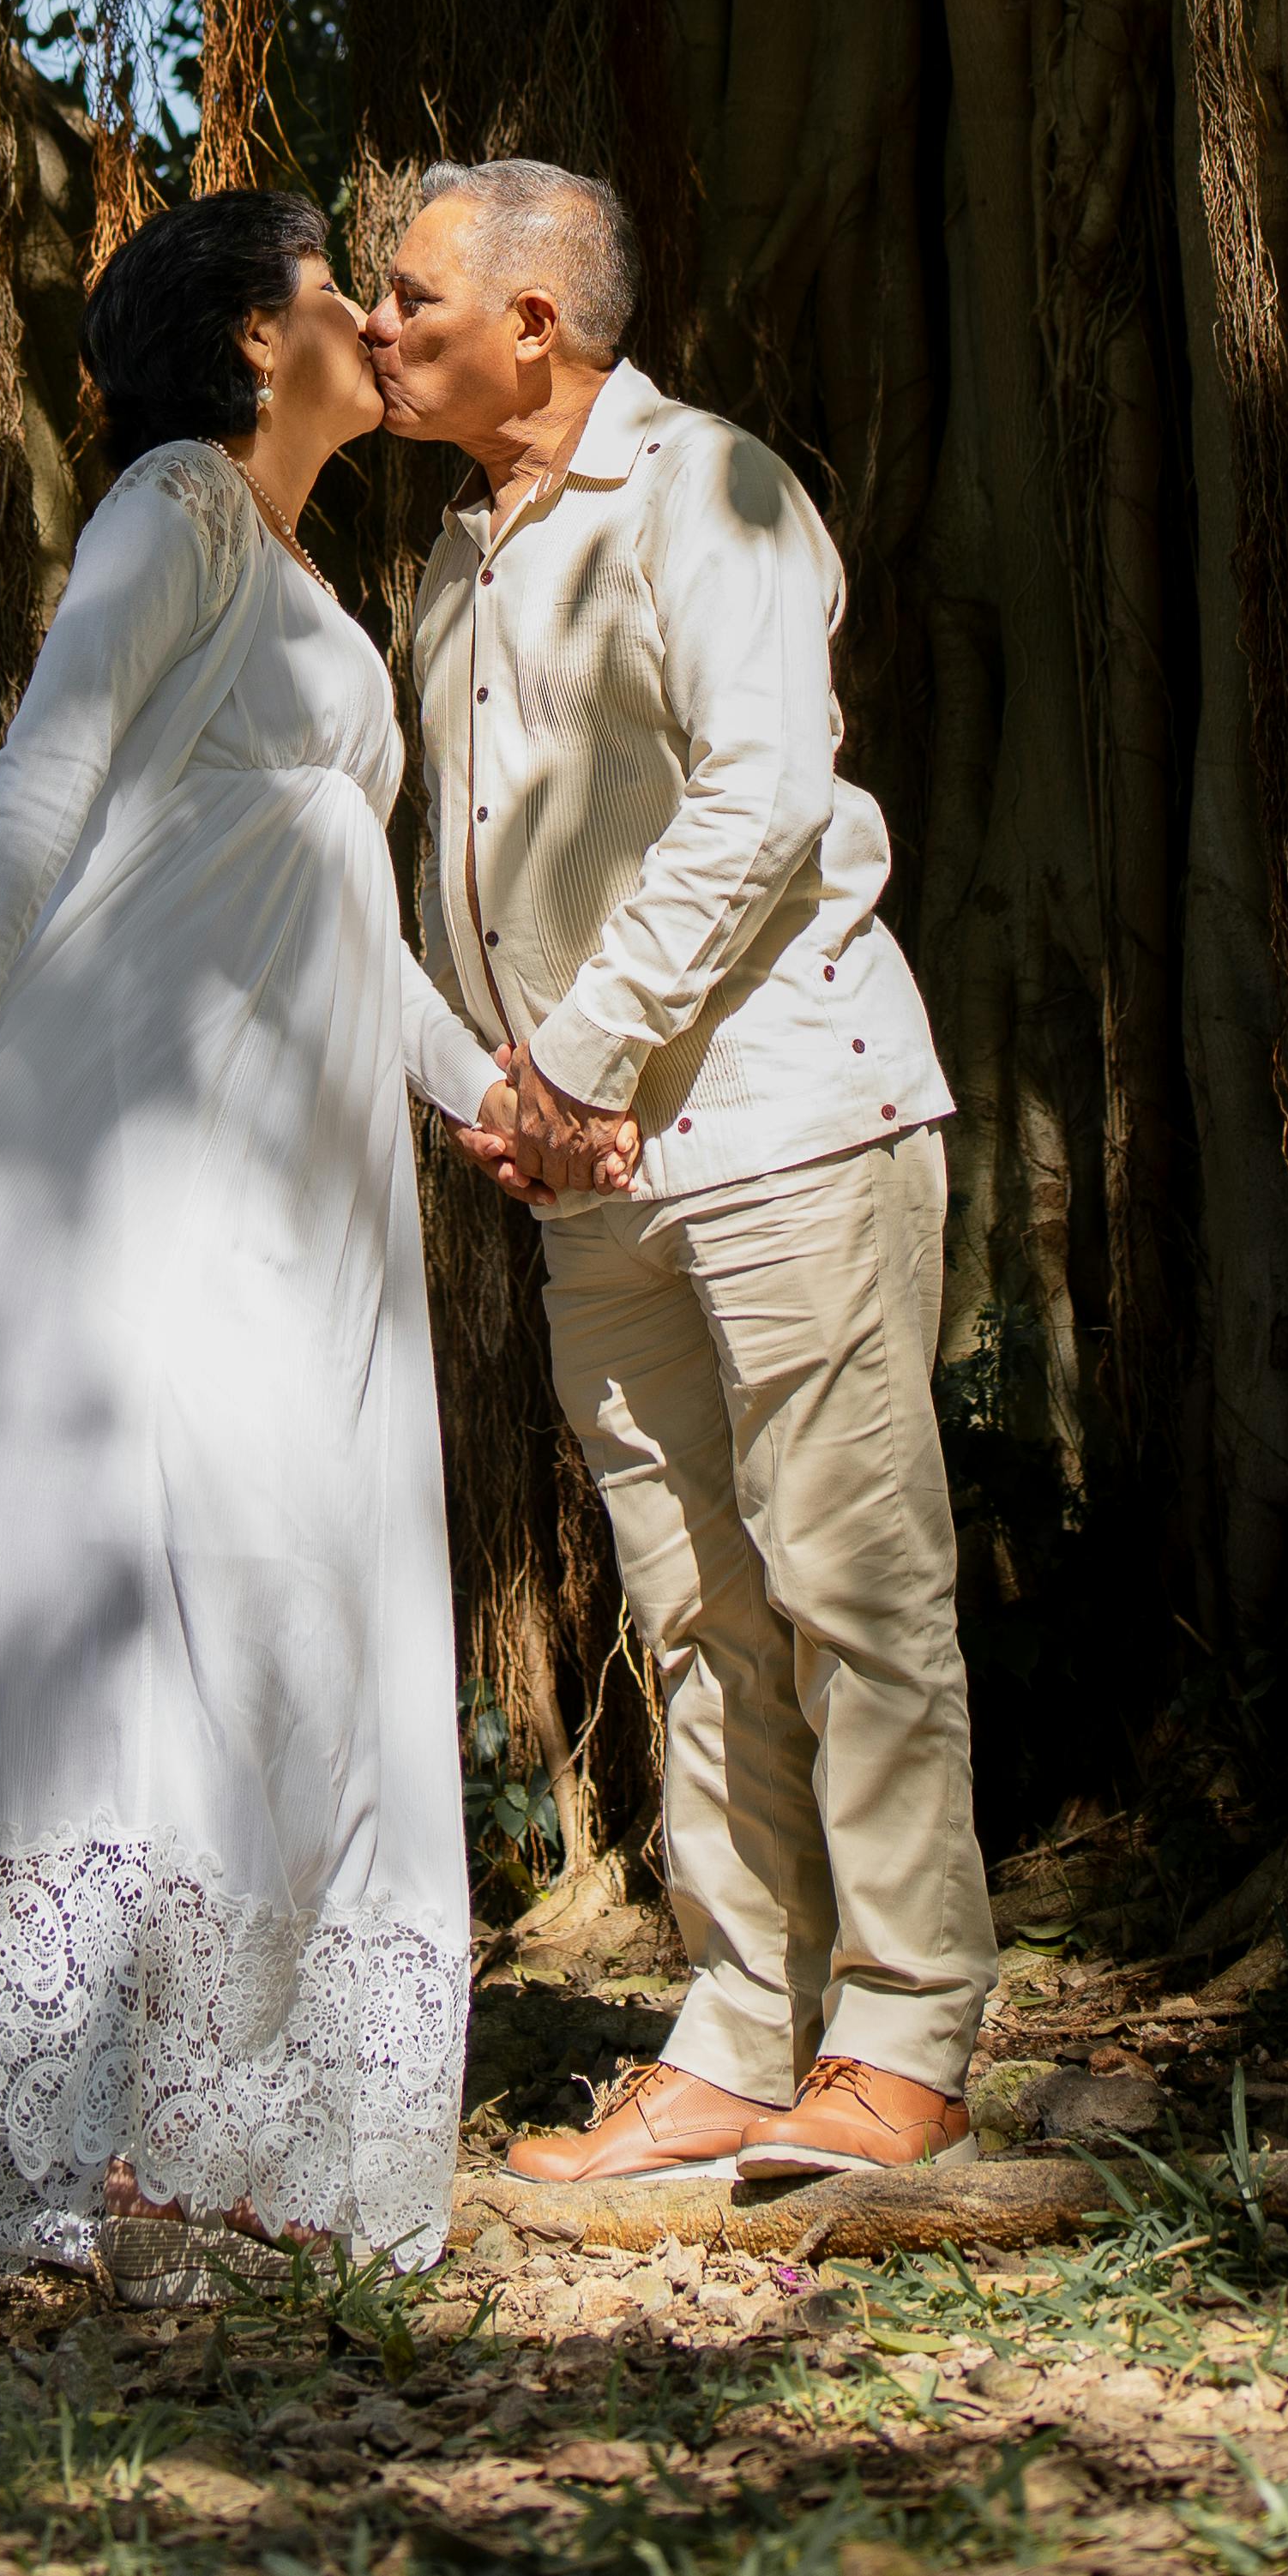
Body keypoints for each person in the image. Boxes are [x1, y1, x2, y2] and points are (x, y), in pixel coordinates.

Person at [0, 192, 567, 2331]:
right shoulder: (171, 509)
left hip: (265, 1203)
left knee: (235, 1617)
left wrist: (490, 1098)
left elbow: (337, 902)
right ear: (260, 341)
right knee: (35, 1613)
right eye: (338, 282)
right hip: (95, 1175)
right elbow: (38, 789)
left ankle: (146, 2142)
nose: (371, 310)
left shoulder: (293, 577)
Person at [366, 159, 999, 2190]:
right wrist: (501, 1090)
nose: (375, 329)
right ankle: (739, 2026)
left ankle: (906, 2028)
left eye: (409, 296)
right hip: (587, 1170)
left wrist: (580, 1056)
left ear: (532, 325)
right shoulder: (459, 557)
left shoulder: (706, 494)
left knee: (851, 1575)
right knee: (692, 1605)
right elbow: (460, 865)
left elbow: (765, 793)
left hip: (781, 1117)